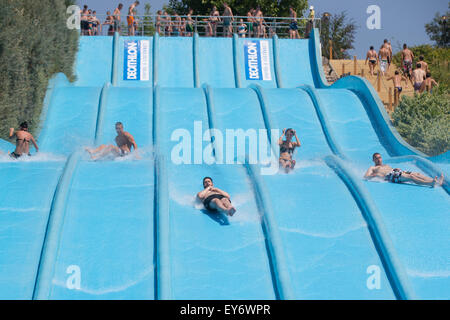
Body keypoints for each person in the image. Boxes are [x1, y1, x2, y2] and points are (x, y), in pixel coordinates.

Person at [364, 153, 444, 187]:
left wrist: (395, 169)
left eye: (380, 157)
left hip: (396, 172)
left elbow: (391, 169)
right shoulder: (373, 168)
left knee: (417, 174)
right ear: (373, 160)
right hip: (390, 176)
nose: (379, 159)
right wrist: (374, 175)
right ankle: (430, 183)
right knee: (411, 177)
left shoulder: (386, 165)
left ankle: (436, 181)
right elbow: (365, 177)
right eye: (376, 158)